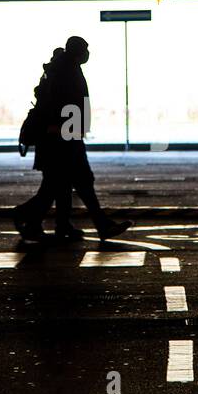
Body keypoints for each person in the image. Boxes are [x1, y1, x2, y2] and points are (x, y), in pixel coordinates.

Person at [13, 36, 131, 241]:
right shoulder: (65, 72)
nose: (87, 53)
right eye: (85, 49)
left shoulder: (63, 69)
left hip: (64, 136)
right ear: (77, 51)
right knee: (75, 183)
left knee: (60, 186)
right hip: (63, 139)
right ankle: (27, 216)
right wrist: (66, 129)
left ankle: (59, 225)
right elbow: (62, 105)